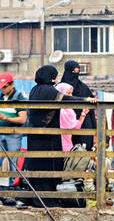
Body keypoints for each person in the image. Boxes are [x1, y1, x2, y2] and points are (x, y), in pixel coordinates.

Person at [23, 66, 62, 207]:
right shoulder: (50, 90)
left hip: (34, 137)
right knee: (48, 165)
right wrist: (86, 99)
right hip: (47, 137)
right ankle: (48, 199)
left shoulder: (34, 90)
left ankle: (35, 197)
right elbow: (66, 99)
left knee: (36, 166)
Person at [0, 73, 26, 203]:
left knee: (13, 162)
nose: (2, 89)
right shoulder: (0, 96)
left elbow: (22, 119)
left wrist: (6, 118)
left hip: (13, 133)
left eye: (5, 87)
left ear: (11, 85)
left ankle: (11, 191)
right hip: (1, 132)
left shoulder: (19, 97)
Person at [61, 60, 97, 145]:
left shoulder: (84, 88)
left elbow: (91, 111)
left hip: (84, 125)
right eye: (73, 71)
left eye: (77, 71)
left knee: (84, 152)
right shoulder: (61, 88)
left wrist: (95, 132)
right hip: (66, 126)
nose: (75, 74)